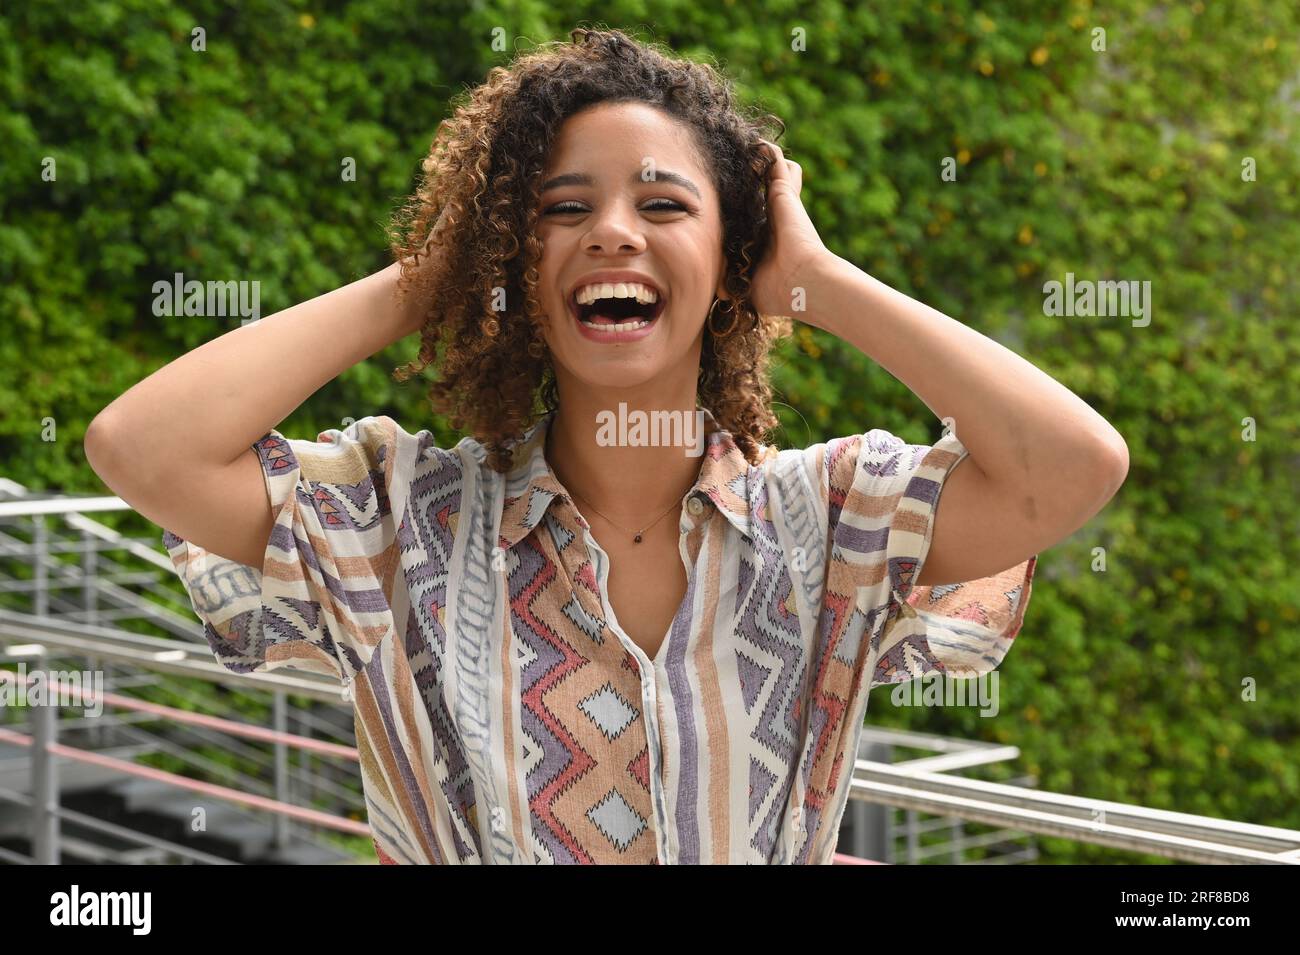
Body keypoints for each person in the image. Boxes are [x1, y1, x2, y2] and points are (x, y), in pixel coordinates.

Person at [86, 27, 1127, 864]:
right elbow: (142, 447)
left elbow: (1072, 466)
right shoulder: (397, 522)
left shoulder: (838, 518)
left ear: (733, 263)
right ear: (514, 258)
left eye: (664, 203)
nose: (614, 231)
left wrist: (818, 282)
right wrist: (435, 277)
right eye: (561, 208)